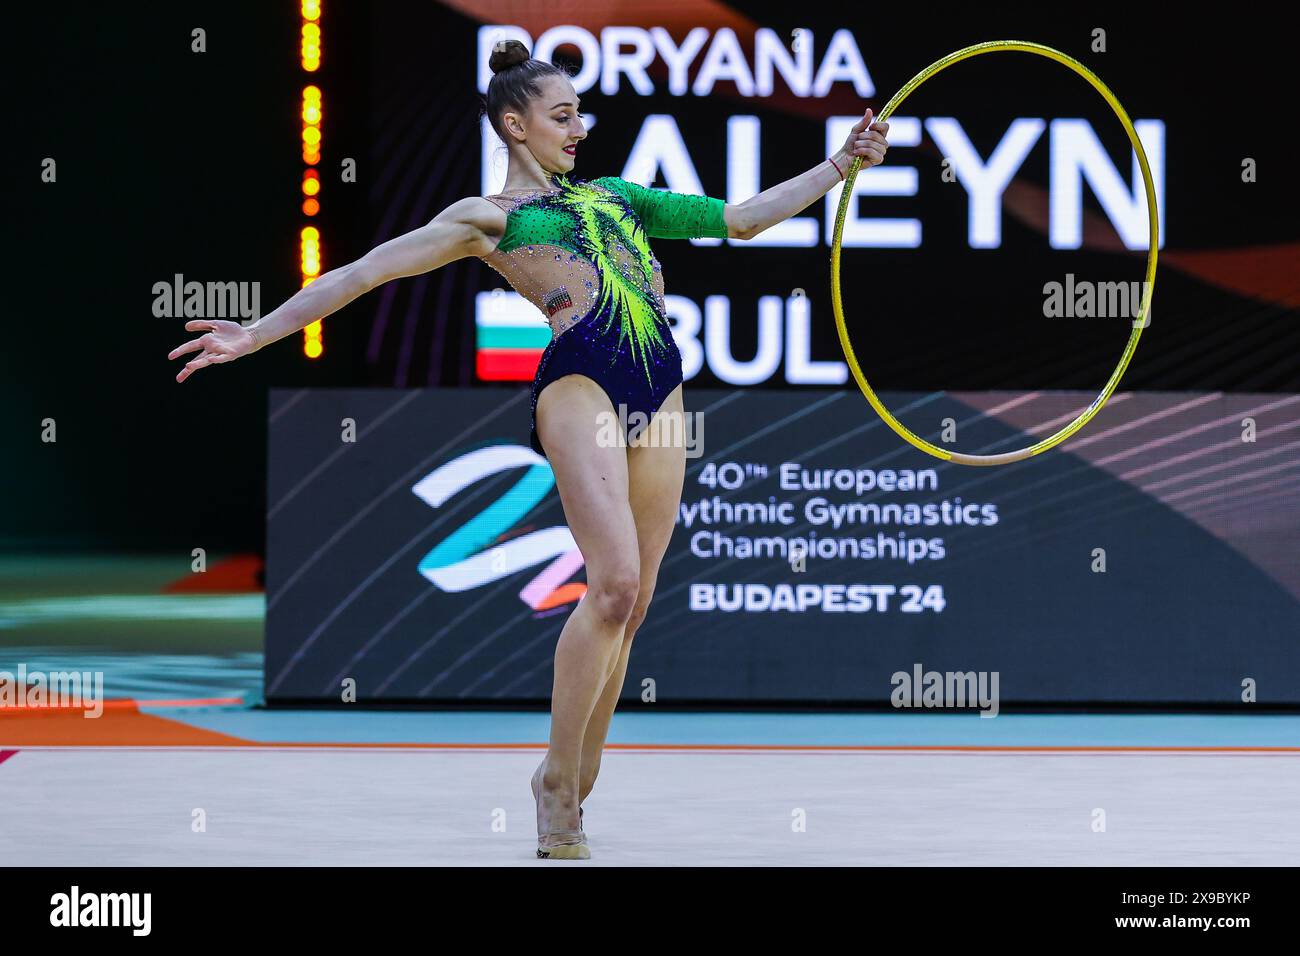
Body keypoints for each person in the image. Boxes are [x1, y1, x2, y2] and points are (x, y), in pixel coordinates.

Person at [167, 37, 889, 860]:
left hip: (662, 384)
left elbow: (742, 219)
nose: (579, 127)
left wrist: (841, 164)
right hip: (579, 376)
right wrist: (258, 333)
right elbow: (363, 273)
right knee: (611, 581)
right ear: (516, 126)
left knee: (634, 603)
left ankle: (579, 779)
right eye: (563, 115)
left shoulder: (619, 198)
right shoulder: (490, 219)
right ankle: (553, 779)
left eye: (580, 113)